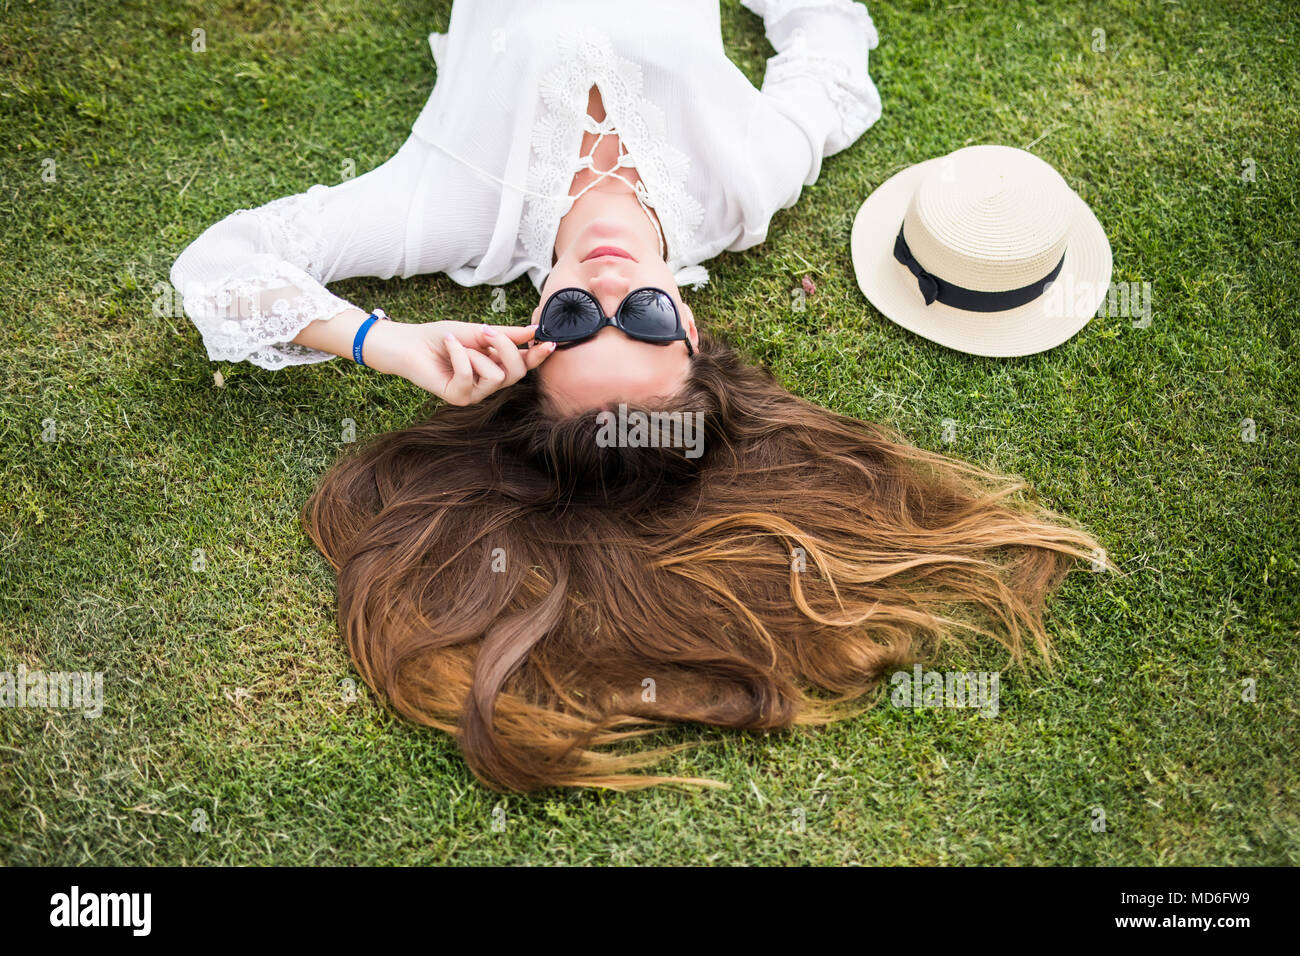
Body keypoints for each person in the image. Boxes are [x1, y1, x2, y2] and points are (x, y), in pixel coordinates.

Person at [171, 1, 1105, 793]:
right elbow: (830, 58)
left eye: (575, 318)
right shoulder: (742, 188)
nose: (611, 292)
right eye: (649, 321)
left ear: (528, 342)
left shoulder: (450, 212)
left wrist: (383, 343)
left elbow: (218, 271)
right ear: (694, 331)